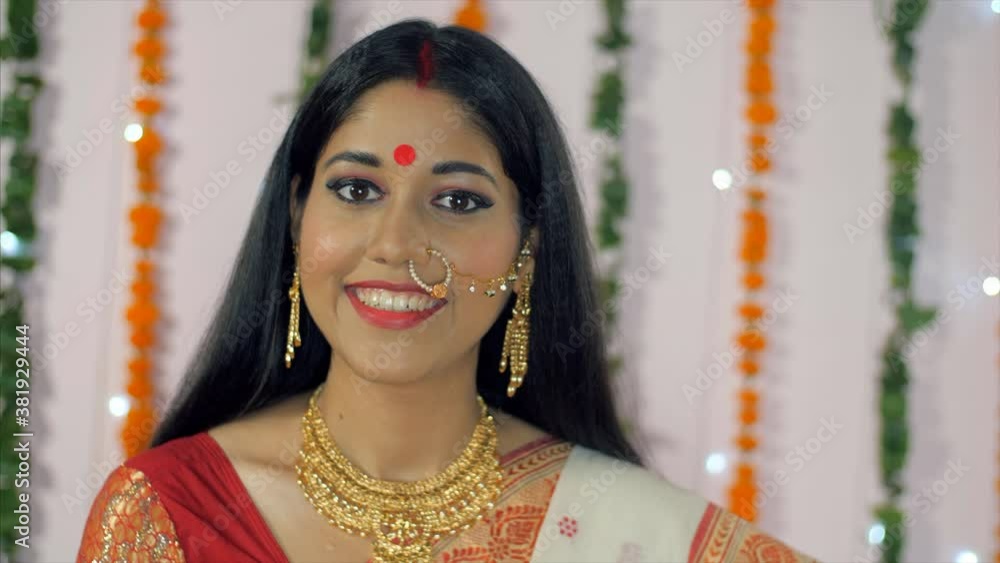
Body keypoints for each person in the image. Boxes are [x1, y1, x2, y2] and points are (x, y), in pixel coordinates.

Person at [76, 18, 817, 563]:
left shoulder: (613, 526)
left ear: (527, 249)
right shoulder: (167, 517)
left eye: (458, 200)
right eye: (358, 188)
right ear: (299, 219)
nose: (397, 243)